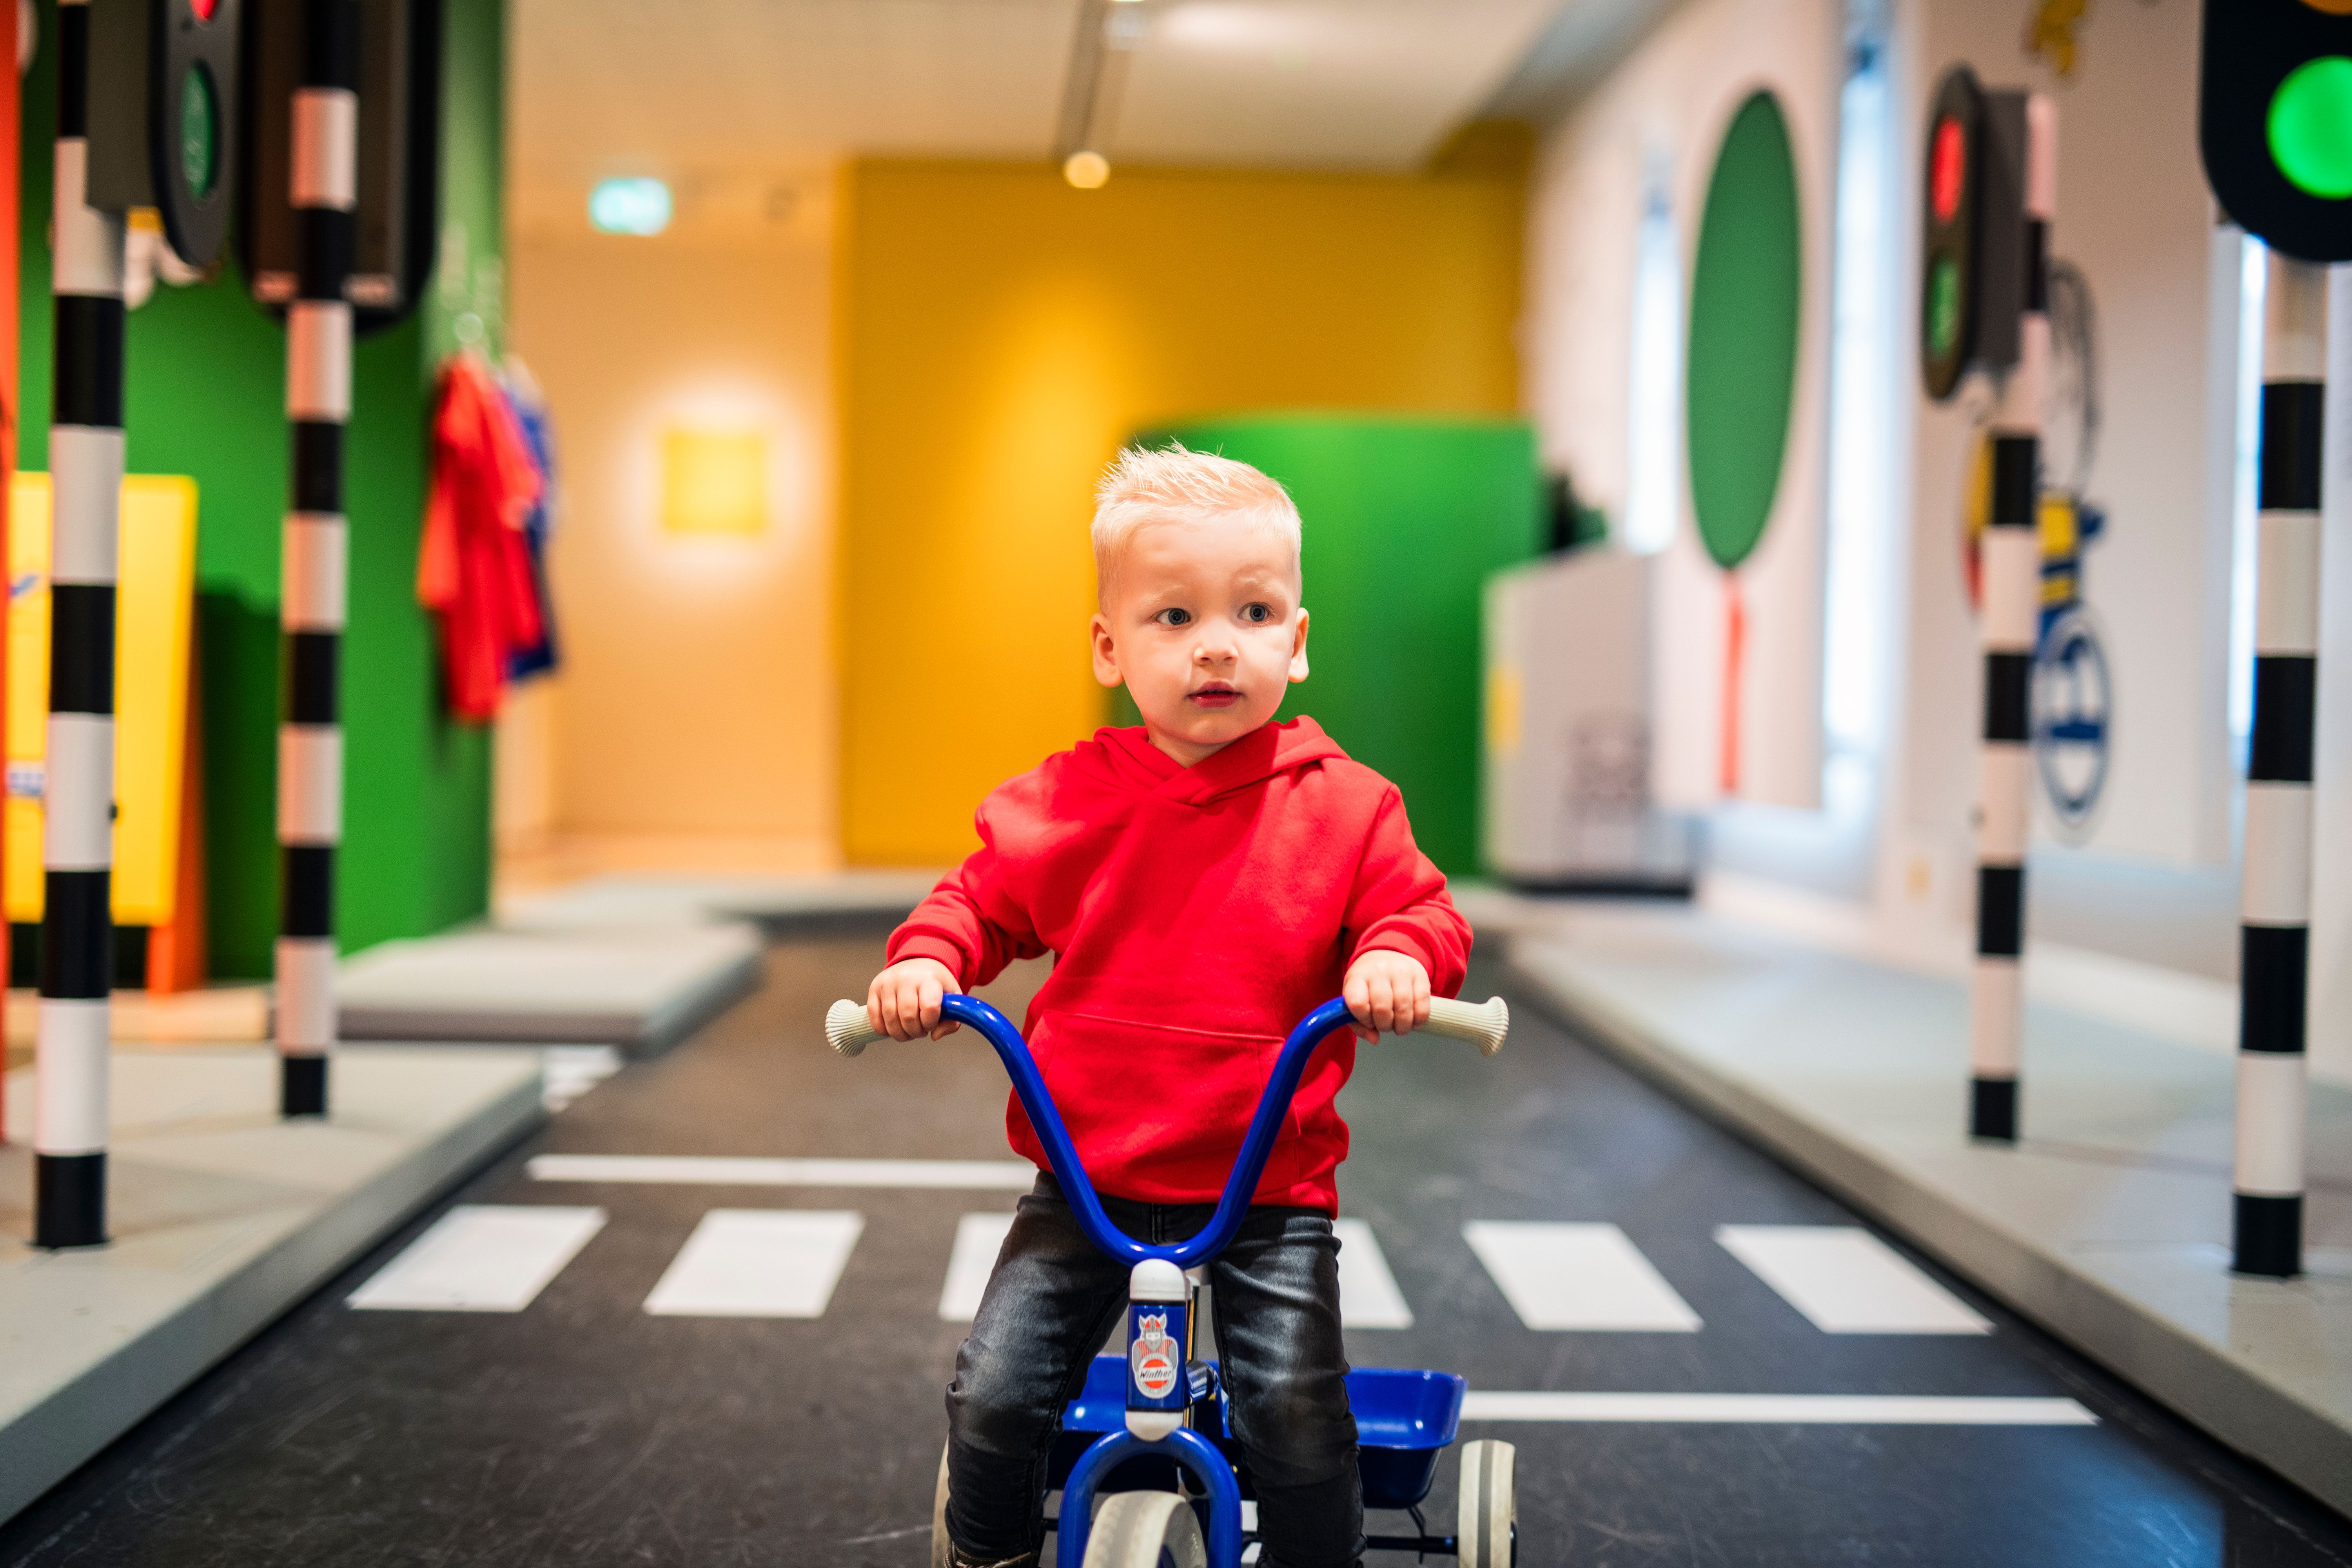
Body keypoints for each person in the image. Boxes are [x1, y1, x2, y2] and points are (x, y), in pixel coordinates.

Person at [865, 443, 1471, 1568]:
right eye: (1174, 616)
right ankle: (988, 1555)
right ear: (1111, 647)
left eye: (1252, 612)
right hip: (1087, 1176)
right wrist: (928, 962)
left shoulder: (1346, 808)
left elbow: (1422, 914)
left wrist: (1395, 958)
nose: (1215, 645)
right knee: (993, 1397)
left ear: (1294, 643)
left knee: (1295, 1420)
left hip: (1265, 1185)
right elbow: (978, 901)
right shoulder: (1068, 801)